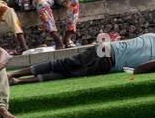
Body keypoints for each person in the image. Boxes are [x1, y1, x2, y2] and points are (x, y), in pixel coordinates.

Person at [10, 32, 155, 83]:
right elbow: (139, 70)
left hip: (106, 48)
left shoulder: (150, 36)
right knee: (66, 74)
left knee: (62, 64)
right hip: (110, 61)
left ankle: (15, 74)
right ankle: (18, 80)